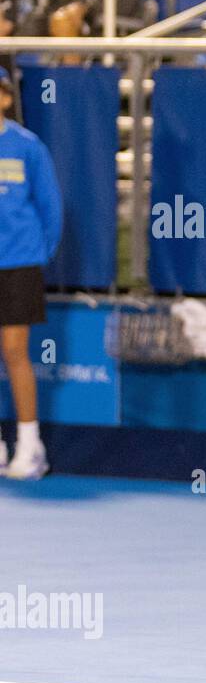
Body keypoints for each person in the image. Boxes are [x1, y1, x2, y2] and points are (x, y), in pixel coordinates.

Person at [0, 67, 63, 481]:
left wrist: (37, 254)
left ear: (5, 98)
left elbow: (50, 208)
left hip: (18, 264)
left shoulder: (27, 147)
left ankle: (30, 444)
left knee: (14, 350)